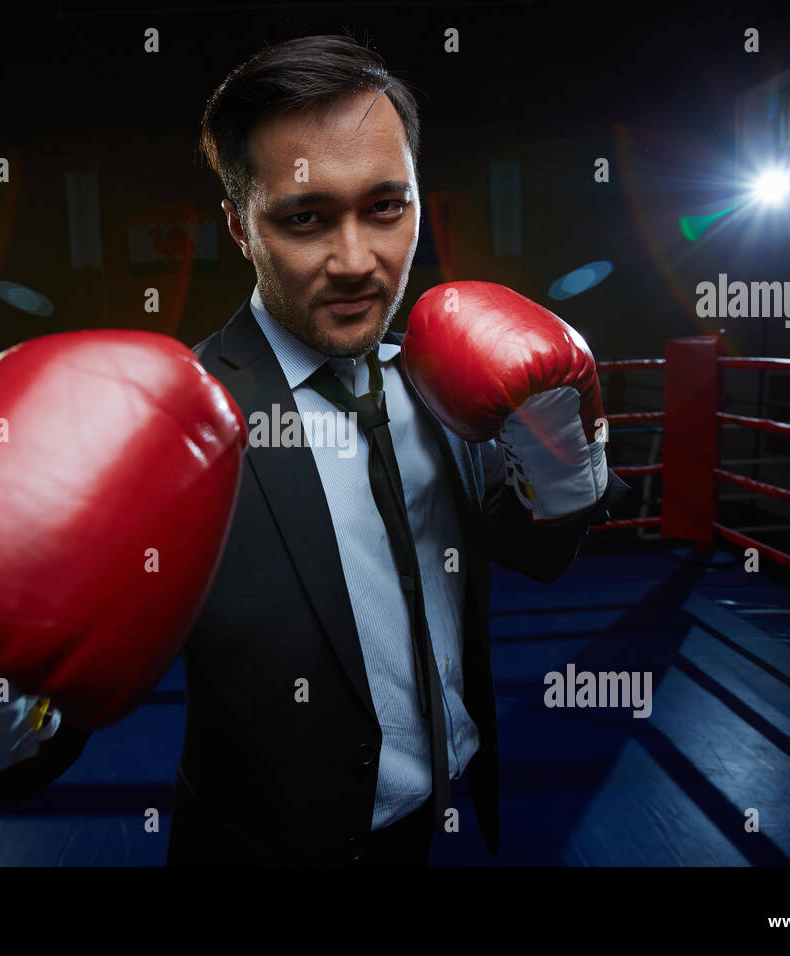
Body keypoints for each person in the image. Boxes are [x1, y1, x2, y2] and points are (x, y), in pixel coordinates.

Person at [165, 34, 627, 866]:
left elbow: (538, 555)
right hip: (266, 850)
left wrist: (565, 456)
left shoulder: (442, 376)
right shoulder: (181, 421)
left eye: (386, 207)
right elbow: (68, 692)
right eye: (304, 218)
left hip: (445, 825)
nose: (356, 263)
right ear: (239, 225)